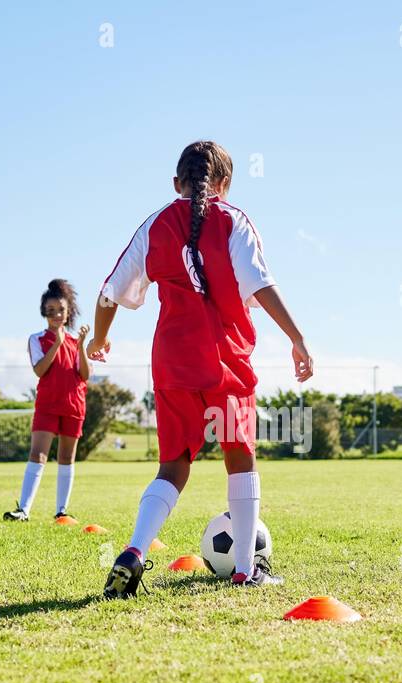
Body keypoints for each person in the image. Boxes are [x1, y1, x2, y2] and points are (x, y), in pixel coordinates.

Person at [89, 141, 313, 597]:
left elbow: (110, 292)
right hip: (224, 361)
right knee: (240, 457)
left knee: (172, 464)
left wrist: (99, 337)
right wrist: (296, 337)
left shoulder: (155, 225)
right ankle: (247, 569)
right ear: (226, 184)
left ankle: (134, 550)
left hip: (171, 364)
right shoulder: (234, 221)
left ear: (176, 183)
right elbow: (261, 283)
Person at [3, 278, 90, 523]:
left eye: (60, 310)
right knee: (38, 455)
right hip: (47, 406)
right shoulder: (36, 339)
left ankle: (61, 511)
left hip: (74, 406)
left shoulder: (76, 342)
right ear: (44, 312)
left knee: (66, 459)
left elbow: (85, 375)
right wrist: (58, 344)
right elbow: (39, 370)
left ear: (68, 311)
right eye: (51, 311)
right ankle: (24, 510)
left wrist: (81, 346)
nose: (56, 315)